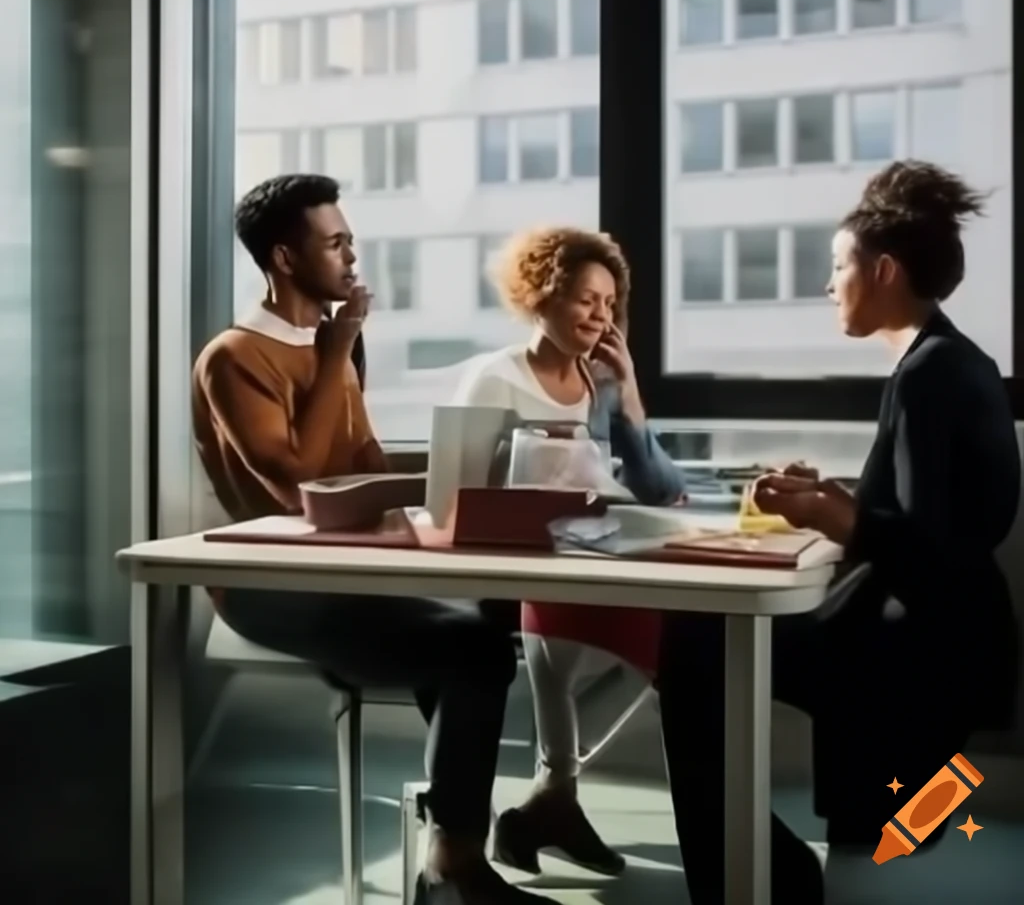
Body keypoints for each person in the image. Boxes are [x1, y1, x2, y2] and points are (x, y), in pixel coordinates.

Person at [658, 161, 1021, 904]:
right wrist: (832, 494)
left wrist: (830, 514)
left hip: (926, 641)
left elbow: (926, 545)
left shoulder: (928, 374)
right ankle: (781, 865)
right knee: (708, 645)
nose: (828, 286)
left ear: (883, 269)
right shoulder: (952, 361)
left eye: (836, 266)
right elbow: (936, 515)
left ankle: (752, 877)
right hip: (962, 632)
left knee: (693, 646)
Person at [192, 174, 555, 905]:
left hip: (352, 570)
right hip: (271, 587)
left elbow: (363, 465)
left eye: (351, 240)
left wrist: (461, 487)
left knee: (489, 620)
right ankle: (455, 861)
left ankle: (450, 850)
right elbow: (300, 489)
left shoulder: (328, 344)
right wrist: (340, 352)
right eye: (335, 243)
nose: (352, 257)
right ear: (285, 259)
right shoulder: (234, 356)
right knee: (473, 649)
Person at [453, 227, 685, 876]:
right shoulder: (492, 379)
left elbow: (660, 490)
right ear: (542, 296)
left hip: (603, 562)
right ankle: (551, 802)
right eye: (586, 299)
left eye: (609, 304)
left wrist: (630, 395)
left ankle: (549, 803)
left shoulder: (601, 384)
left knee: (680, 642)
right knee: (666, 656)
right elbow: (461, 502)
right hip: (532, 573)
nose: (600, 316)